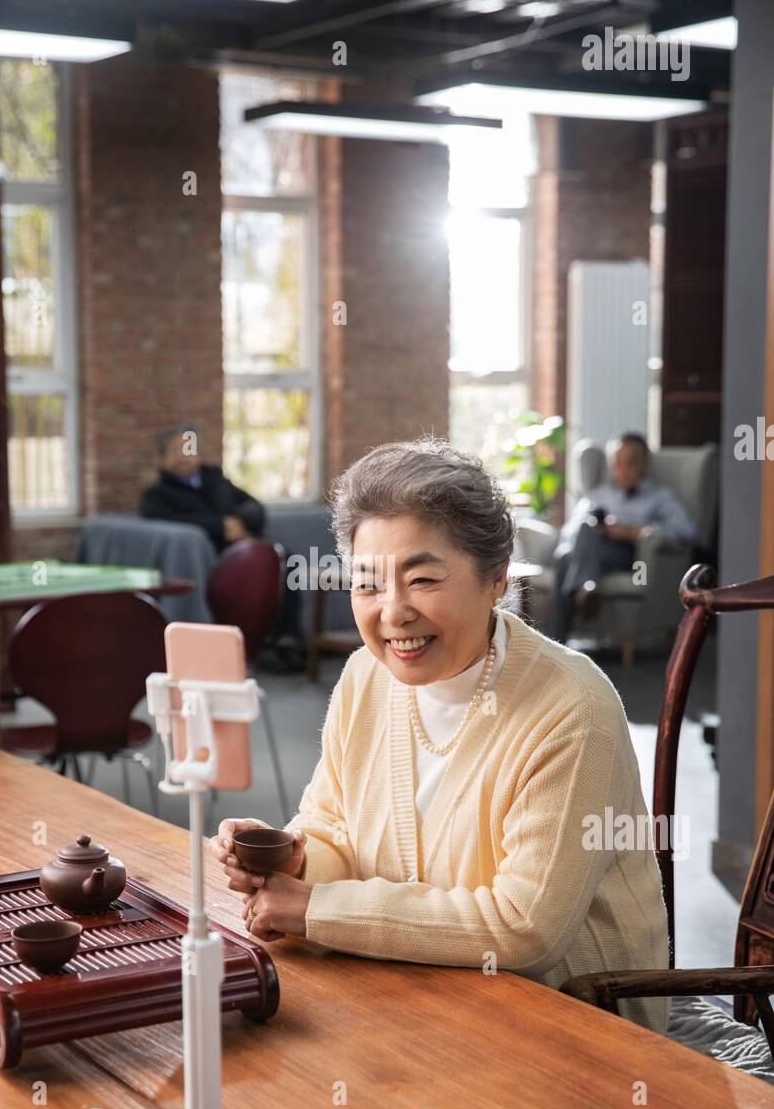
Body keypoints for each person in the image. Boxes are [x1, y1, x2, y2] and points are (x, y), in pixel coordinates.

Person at [208, 435, 671, 1035]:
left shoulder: (571, 709)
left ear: (497, 578)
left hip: (575, 1020)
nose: (392, 612)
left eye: (422, 580)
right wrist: (297, 862)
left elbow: (525, 929)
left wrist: (318, 908)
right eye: (369, 583)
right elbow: (335, 829)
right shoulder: (365, 677)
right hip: (416, 992)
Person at [548, 432, 696, 644]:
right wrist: (598, 530)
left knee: (564, 559)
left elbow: (687, 532)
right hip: (593, 550)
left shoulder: (661, 497)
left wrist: (634, 532)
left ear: (644, 465)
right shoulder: (597, 496)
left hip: (632, 560)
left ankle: (555, 642)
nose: (623, 470)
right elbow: (568, 532)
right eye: (617, 464)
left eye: (630, 463)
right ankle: (586, 588)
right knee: (575, 539)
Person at [139, 423, 266, 553]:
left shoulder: (216, 479)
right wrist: (220, 526)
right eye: (173, 450)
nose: (182, 456)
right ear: (162, 459)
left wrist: (238, 521)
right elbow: (169, 523)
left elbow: (254, 506)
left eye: (188, 448)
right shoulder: (157, 495)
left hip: (247, 547)